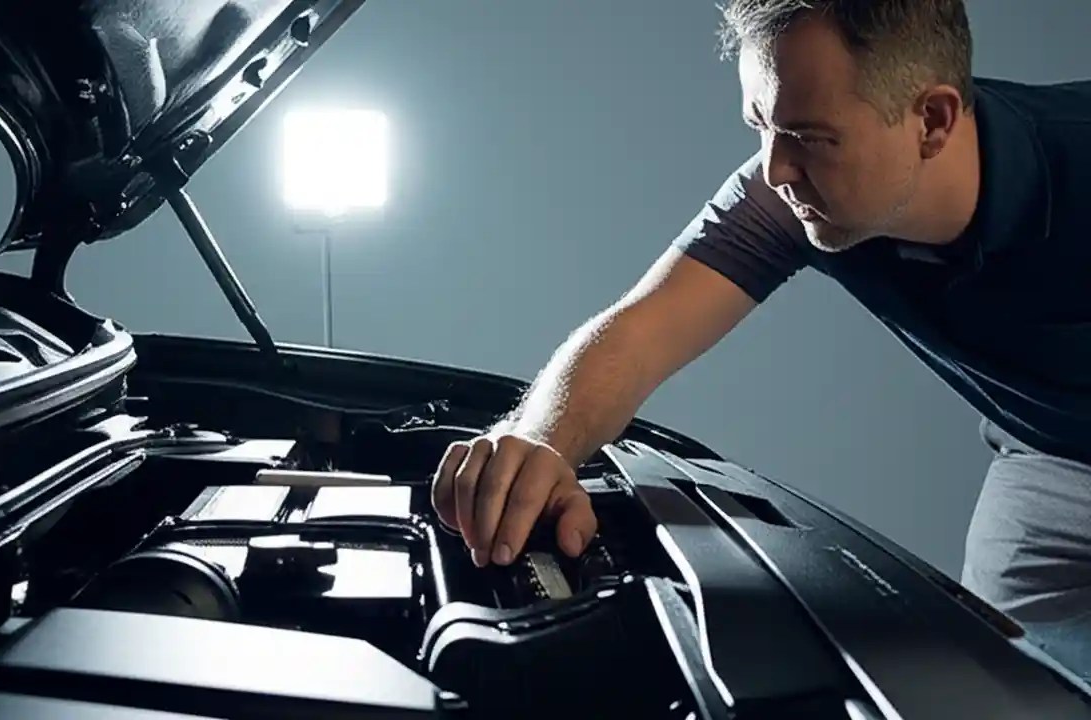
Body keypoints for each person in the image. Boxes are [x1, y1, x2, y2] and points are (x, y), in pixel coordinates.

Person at [431, 0, 1091, 681]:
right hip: (1043, 456)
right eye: (761, 127)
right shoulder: (793, 199)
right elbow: (637, 333)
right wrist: (537, 444)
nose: (776, 170)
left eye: (809, 137)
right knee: (1013, 689)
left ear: (932, 120)